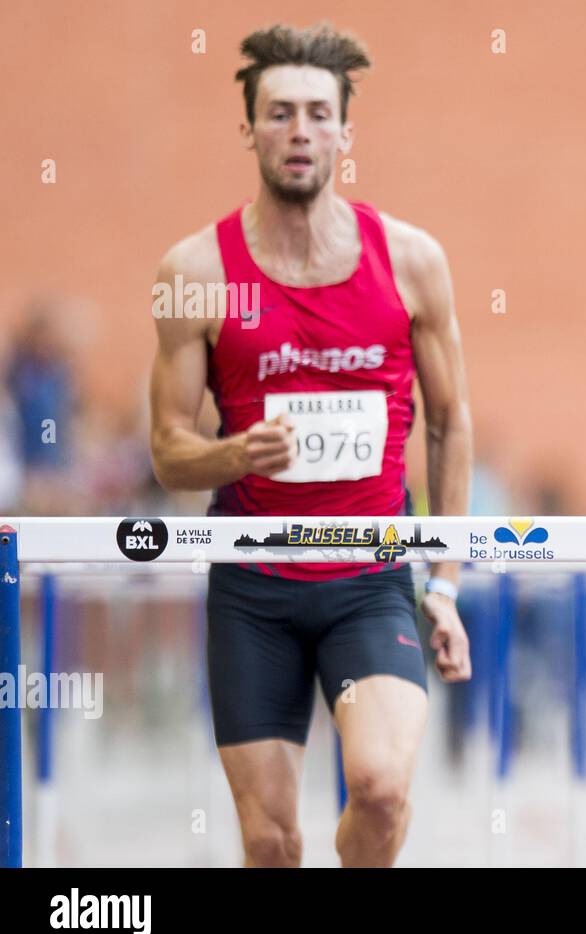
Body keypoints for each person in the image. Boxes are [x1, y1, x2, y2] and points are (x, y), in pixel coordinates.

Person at [149, 23, 473, 866]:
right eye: (280, 113)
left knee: (382, 788)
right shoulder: (195, 271)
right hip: (251, 584)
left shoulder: (410, 260)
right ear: (250, 128)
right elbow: (166, 449)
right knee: (272, 840)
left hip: (367, 574)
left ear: (344, 133)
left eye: (318, 114)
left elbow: (449, 421)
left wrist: (442, 580)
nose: (300, 130)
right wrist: (233, 455)